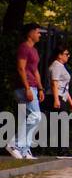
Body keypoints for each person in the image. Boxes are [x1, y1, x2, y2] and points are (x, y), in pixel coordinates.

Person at [9, 24, 44, 160]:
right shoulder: (24, 48)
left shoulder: (34, 50)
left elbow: (35, 71)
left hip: (33, 87)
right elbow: (21, 68)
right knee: (36, 117)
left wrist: (40, 88)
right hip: (24, 88)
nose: (39, 34)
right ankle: (14, 144)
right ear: (30, 34)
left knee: (28, 119)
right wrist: (28, 88)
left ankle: (25, 150)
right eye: (37, 32)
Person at [48, 46, 72, 112]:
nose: (68, 56)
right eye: (66, 54)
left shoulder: (60, 66)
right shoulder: (56, 66)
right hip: (56, 96)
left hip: (61, 97)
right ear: (59, 55)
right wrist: (56, 100)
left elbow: (64, 87)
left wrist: (71, 102)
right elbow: (54, 83)